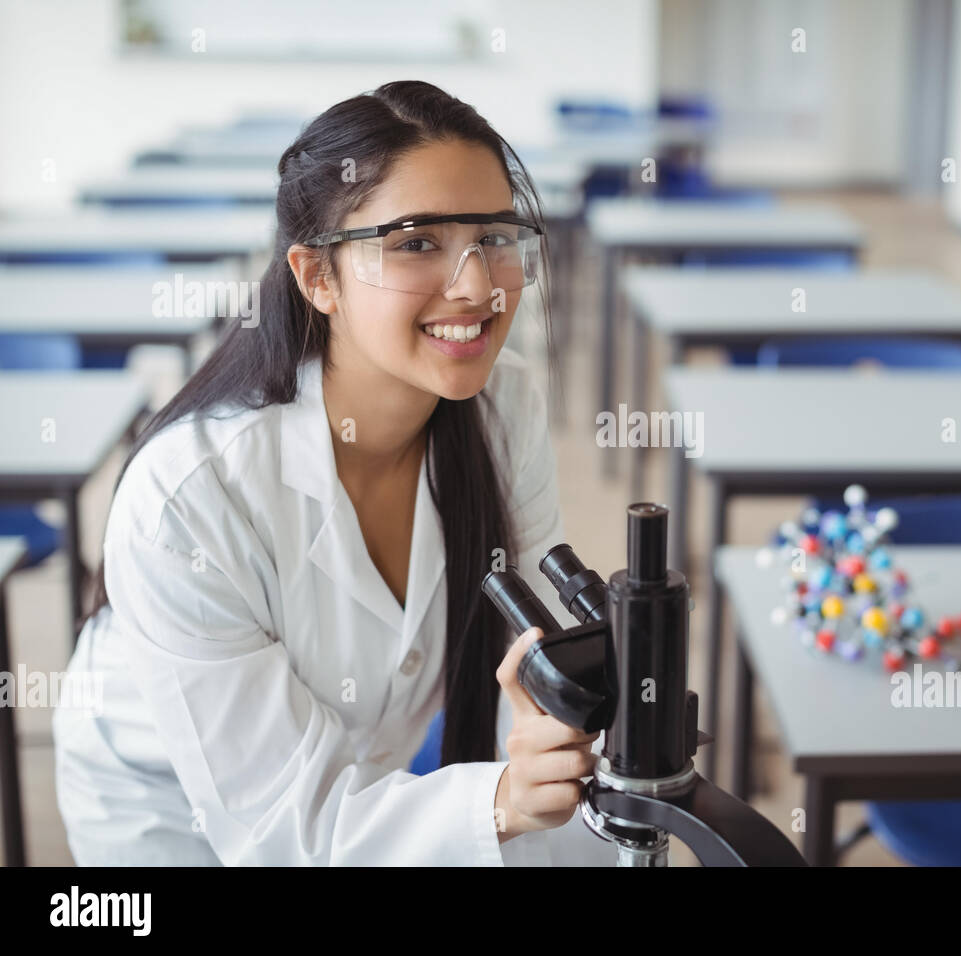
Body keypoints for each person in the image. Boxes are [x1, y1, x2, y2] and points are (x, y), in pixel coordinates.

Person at [52, 80, 616, 866]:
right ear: (318, 277)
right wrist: (500, 803)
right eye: (415, 243)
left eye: (494, 236)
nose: (478, 286)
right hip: (167, 807)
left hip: (364, 771)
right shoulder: (190, 494)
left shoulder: (504, 407)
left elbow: (528, 679)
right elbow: (285, 827)